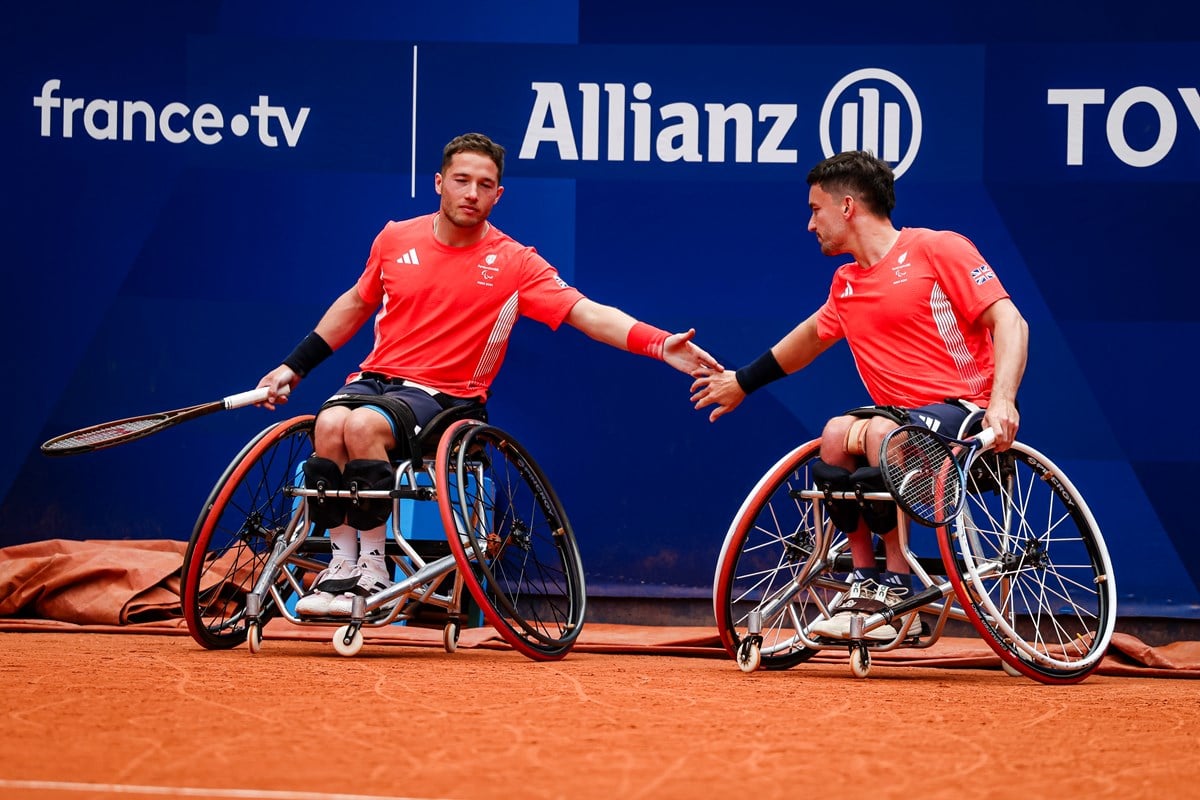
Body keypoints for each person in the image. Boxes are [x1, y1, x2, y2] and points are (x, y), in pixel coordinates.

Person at [258, 132, 720, 617]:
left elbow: (588, 312)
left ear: (498, 194)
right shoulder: (395, 238)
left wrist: (659, 343)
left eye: (485, 184)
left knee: (360, 426)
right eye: (461, 180)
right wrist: (294, 366)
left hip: (447, 398)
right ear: (439, 183)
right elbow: (355, 304)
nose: (472, 193)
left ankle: (373, 568)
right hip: (375, 379)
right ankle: (340, 563)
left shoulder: (516, 263)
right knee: (328, 425)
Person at [690, 150, 1028, 640]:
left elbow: (1010, 321)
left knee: (879, 432)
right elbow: (805, 341)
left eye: (815, 209)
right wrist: (743, 381)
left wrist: (1003, 400)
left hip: (965, 415)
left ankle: (897, 582)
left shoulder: (938, 249)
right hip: (896, 425)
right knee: (834, 435)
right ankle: (863, 578)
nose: (810, 224)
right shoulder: (845, 284)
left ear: (847, 206)